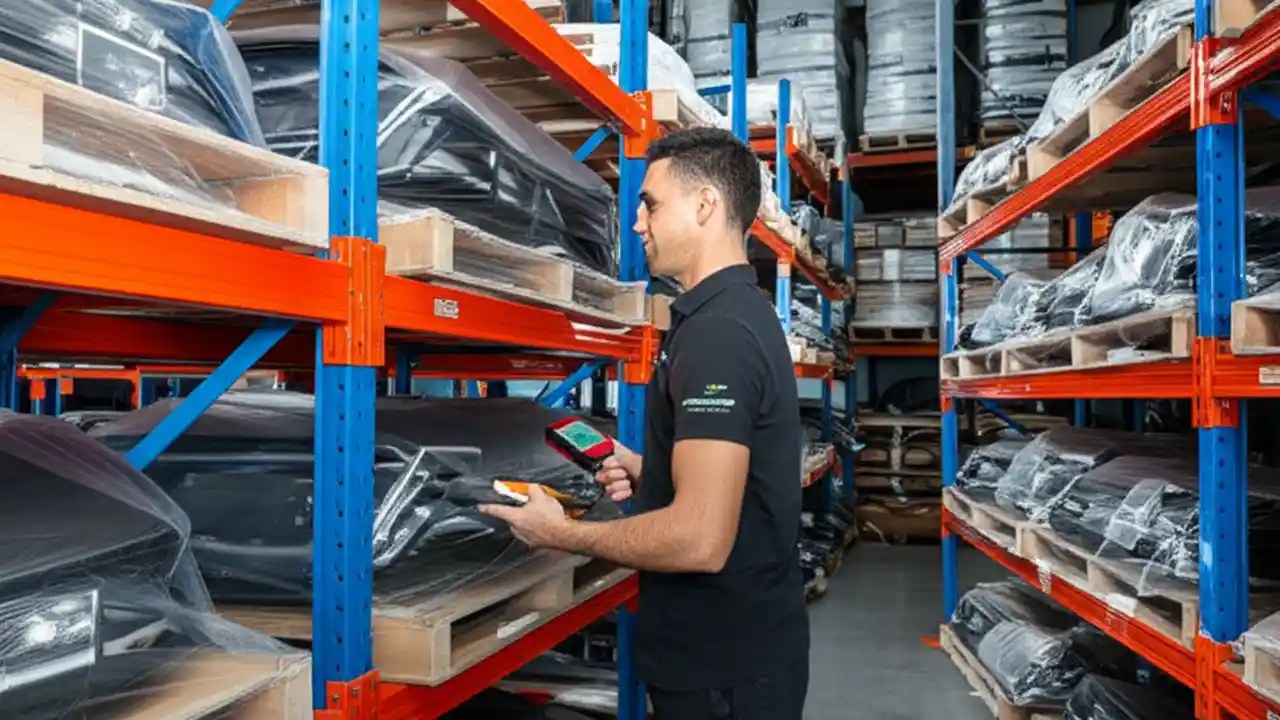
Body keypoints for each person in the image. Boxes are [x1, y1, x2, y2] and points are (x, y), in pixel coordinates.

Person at [481, 127, 809, 719]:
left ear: (706, 204)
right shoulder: (732, 316)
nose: (637, 223)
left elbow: (700, 540)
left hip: (723, 675)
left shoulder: (718, 338)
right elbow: (743, 475)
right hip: (737, 659)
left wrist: (562, 535)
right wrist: (651, 468)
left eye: (650, 204)